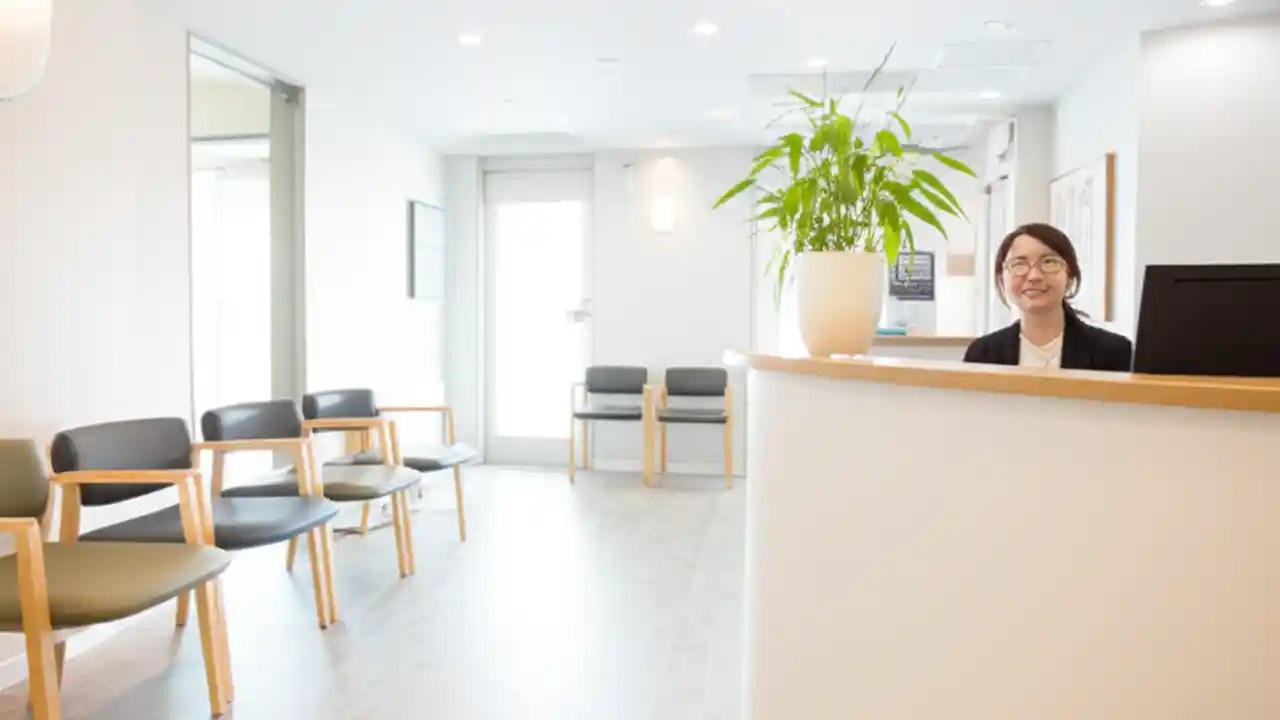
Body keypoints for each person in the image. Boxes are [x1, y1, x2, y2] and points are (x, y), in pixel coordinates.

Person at [964, 222, 1132, 371]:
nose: (1034, 276)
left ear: (1070, 275)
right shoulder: (982, 354)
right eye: (1019, 264)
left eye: (1049, 262)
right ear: (1002, 278)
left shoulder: (1114, 352)